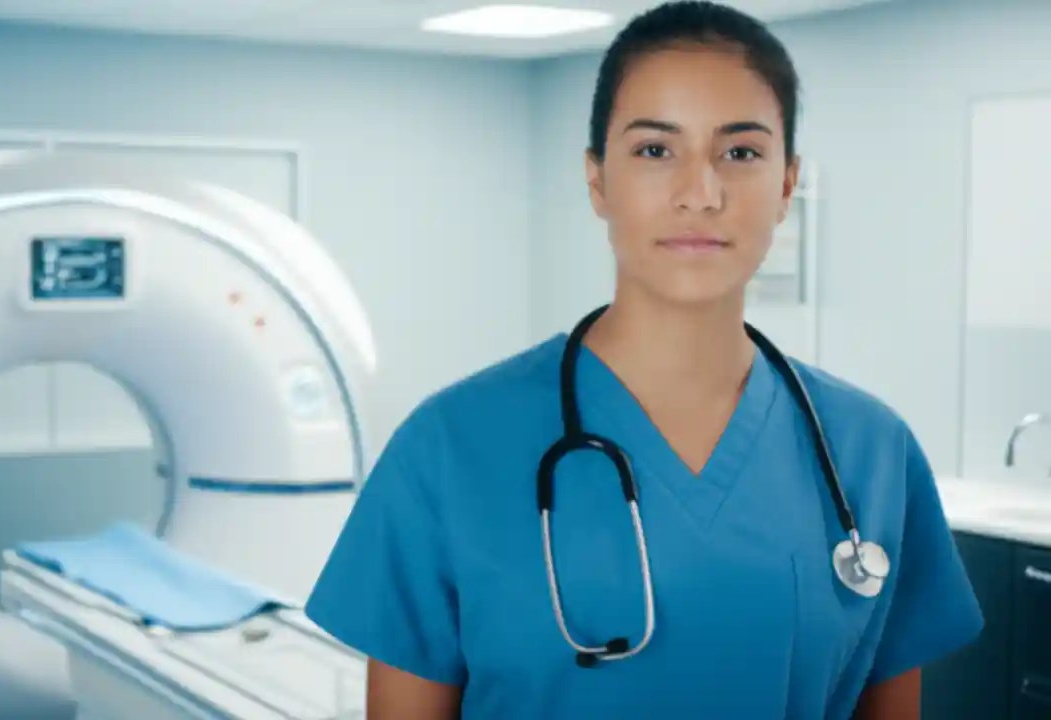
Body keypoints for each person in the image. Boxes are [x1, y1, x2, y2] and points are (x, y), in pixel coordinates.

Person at [303, 1, 984, 717]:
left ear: (788, 184)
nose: (701, 194)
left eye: (741, 153)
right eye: (656, 150)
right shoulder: (449, 449)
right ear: (598, 180)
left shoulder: (870, 452)